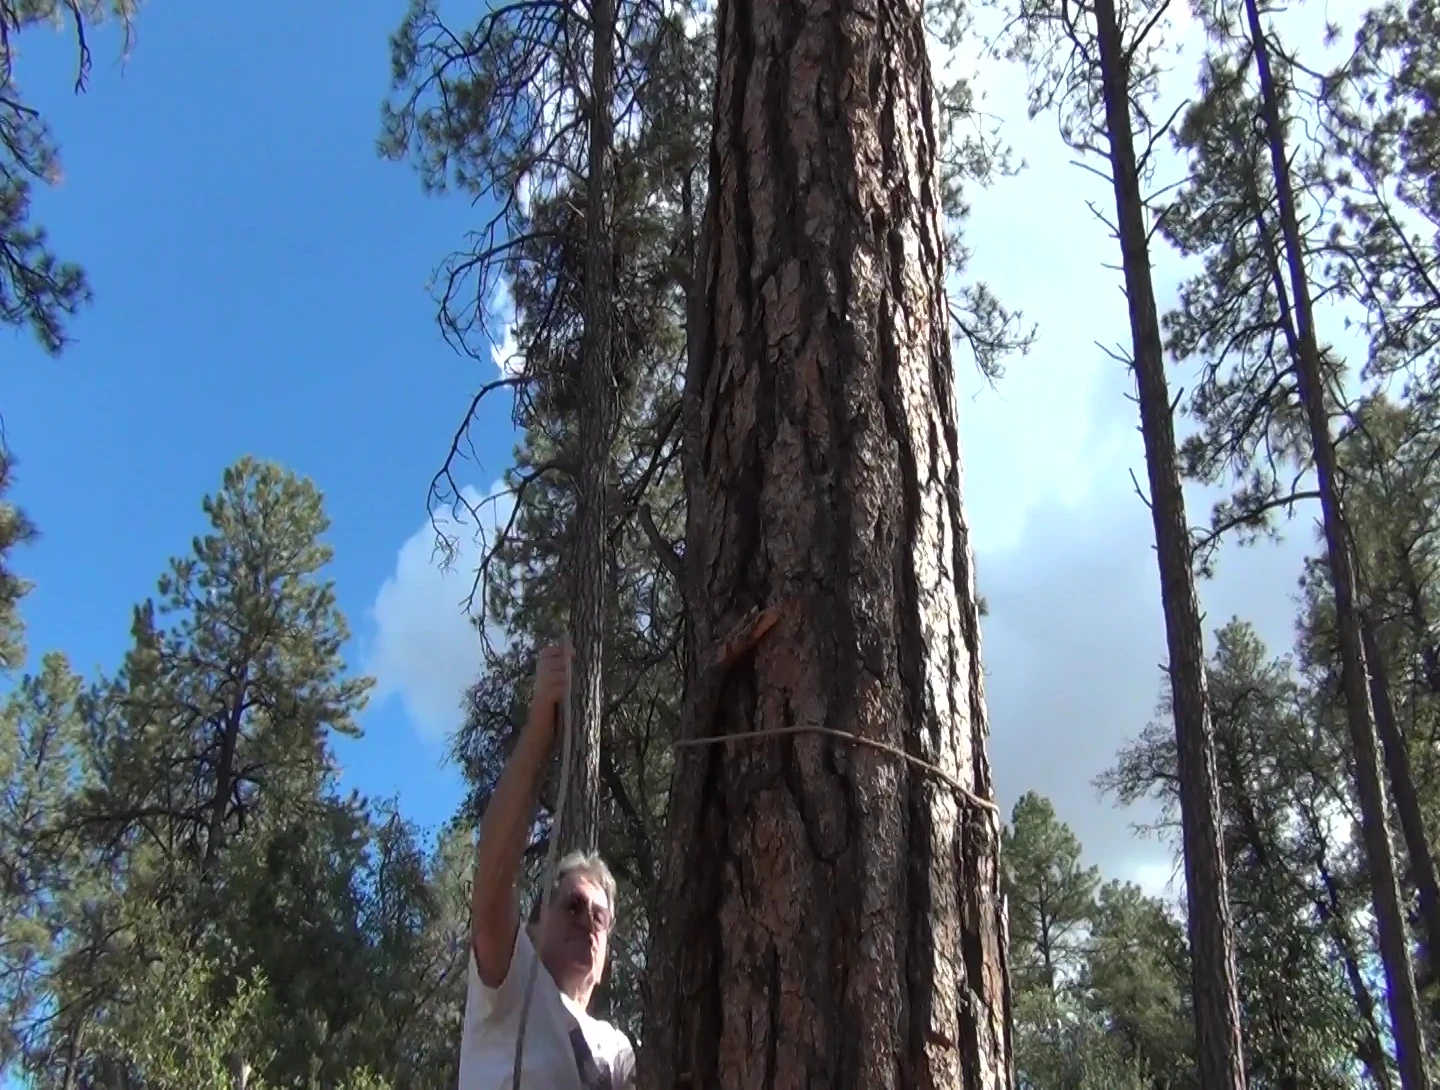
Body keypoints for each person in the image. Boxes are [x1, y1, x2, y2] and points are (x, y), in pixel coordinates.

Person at [459, 642, 636, 1090]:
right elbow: (493, 877)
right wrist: (541, 725)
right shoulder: (511, 980)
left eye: (600, 917)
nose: (587, 921)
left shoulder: (617, 1048)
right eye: (573, 905)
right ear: (534, 928)